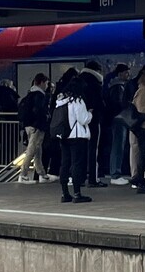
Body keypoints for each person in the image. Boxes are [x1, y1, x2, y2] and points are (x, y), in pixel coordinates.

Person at [54, 71, 93, 203]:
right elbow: (83, 119)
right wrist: (90, 114)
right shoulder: (78, 101)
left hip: (64, 135)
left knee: (65, 163)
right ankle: (77, 193)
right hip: (77, 135)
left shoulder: (61, 100)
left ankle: (65, 193)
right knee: (77, 164)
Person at [16, 73, 50, 183]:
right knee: (32, 149)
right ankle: (23, 174)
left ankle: (41, 173)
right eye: (46, 83)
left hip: (28, 125)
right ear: (41, 82)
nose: (47, 86)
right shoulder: (40, 95)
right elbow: (40, 111)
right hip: (37, 126)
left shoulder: (29, 94)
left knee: (37, 149)